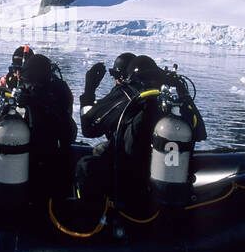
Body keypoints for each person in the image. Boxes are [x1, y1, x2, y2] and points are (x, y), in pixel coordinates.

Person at [74, 54, 205, 214]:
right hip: (162, 176)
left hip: (131, 180)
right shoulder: (171, 96)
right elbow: (200, 133)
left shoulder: (129, 93)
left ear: (126, 75)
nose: (116, 81)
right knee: (102, 149)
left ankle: (90, 219)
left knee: (85, 166)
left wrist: (89, 91)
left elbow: (89, 127)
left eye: (116, 75)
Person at [0, 49, 76, 200]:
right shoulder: (6, 80)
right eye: (14, 69)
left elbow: (63, 116)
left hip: (46, 138)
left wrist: (35, 101)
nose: (17, 74)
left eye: (20, 70)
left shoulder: (57, 87)